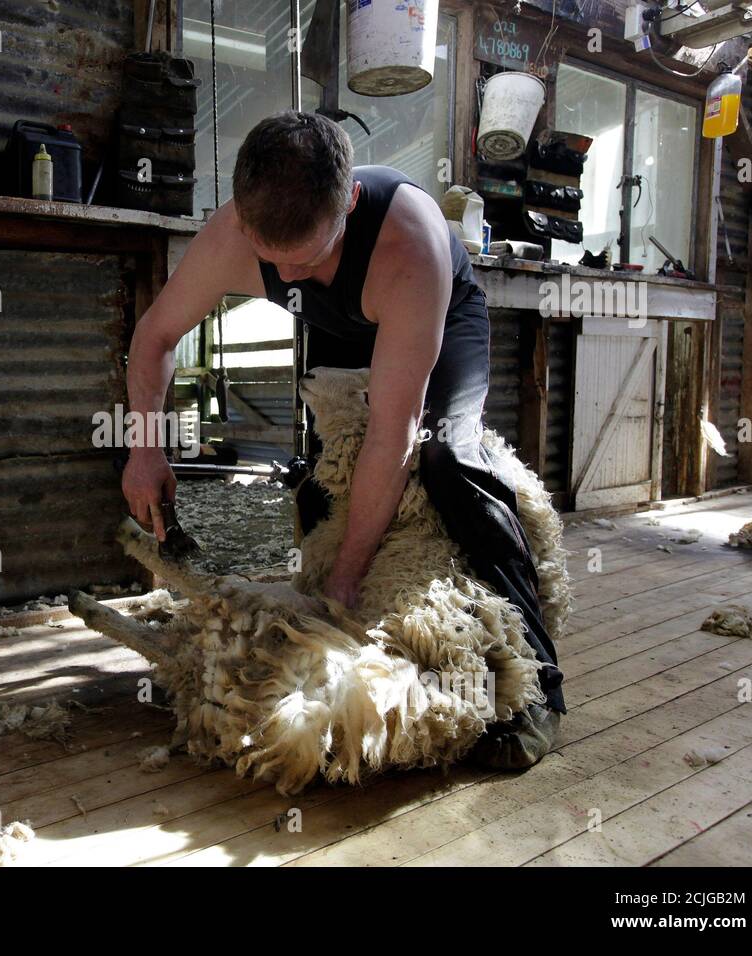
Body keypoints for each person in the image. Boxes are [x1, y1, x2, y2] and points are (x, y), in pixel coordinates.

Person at [120, 111, 564, 769]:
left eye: (310, 256)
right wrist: (145, 447)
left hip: (431, 312)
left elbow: (393, 434)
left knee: (446, 457)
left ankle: (536, 686)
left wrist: (350, 578)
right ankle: (329, 645)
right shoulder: (231, 237)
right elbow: (155, 337)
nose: (289, 276)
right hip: (334, 321)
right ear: (242, 221)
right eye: (275, 264)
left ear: (350, 200)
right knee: (326, 474)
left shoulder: (407, 246)